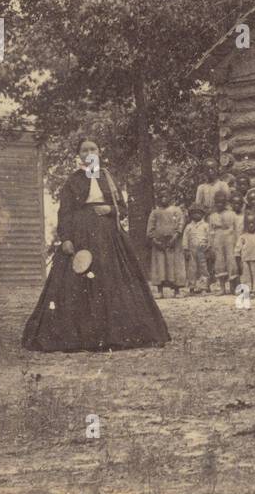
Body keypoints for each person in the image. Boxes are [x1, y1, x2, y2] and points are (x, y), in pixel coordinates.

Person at [22, 139, 170, 351]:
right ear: (79, 155)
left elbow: (122, 207)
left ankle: (117, 332)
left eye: (93, 149)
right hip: (81, 235)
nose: (89, 153)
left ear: (99, 153)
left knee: (113, 279)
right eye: (84, 150)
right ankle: (83, 336)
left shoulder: (108, 178)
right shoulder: (73, 181)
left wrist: (109, 210)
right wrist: (66, 239)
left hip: (109, 237)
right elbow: (65, 212)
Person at [146, 193, 187, 298]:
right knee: (160, 265)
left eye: (166, 196)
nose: (164, 199)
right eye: (161, 197)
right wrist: (155, 240)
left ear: (170, 198)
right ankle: (160, 291)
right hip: (159, 242)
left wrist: (175, 237)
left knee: (174, 264)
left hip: (173, 242)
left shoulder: (176, 210)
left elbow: (181, 224)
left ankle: (177, 290)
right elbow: (150, 227)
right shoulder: (155, 212)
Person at [206, 191, 238, 295]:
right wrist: (210, 244)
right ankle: (222, 288)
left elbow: (236, 229)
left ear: (225, 203)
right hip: (217, 238)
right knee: (219, 262)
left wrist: (237, 243)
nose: (219, 204)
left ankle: (233, 287)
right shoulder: (212, 216)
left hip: (229, 238)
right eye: (217, 202)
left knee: (231, 261)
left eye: (222, 202)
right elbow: (210, 231)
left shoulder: (232, 214)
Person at [181, 205, 210, 294]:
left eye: (199, 213)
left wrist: (208, 247)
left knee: (203, 268)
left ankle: (204, 287)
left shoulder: (206, 225)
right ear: (191, 215)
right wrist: (186, 249)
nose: (196, 215)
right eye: (194, 213)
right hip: (191, 249)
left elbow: (209, 237)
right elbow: (185, 238)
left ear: (202, 214)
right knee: (191, 268)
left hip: (202, 249)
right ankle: (192, 287)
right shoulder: (189, 226)